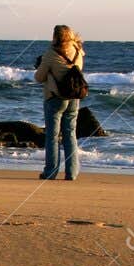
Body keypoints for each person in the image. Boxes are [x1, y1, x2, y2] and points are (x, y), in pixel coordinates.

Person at [33, 25, 84, 180]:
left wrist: (44, 67)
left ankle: (51, 172)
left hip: (55, 97)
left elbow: (39, 77)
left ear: (55, 36)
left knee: (52, 136)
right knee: (70, 133)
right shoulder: (78, 50)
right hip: (74, 96)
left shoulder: (51, 53)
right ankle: (72, 172)